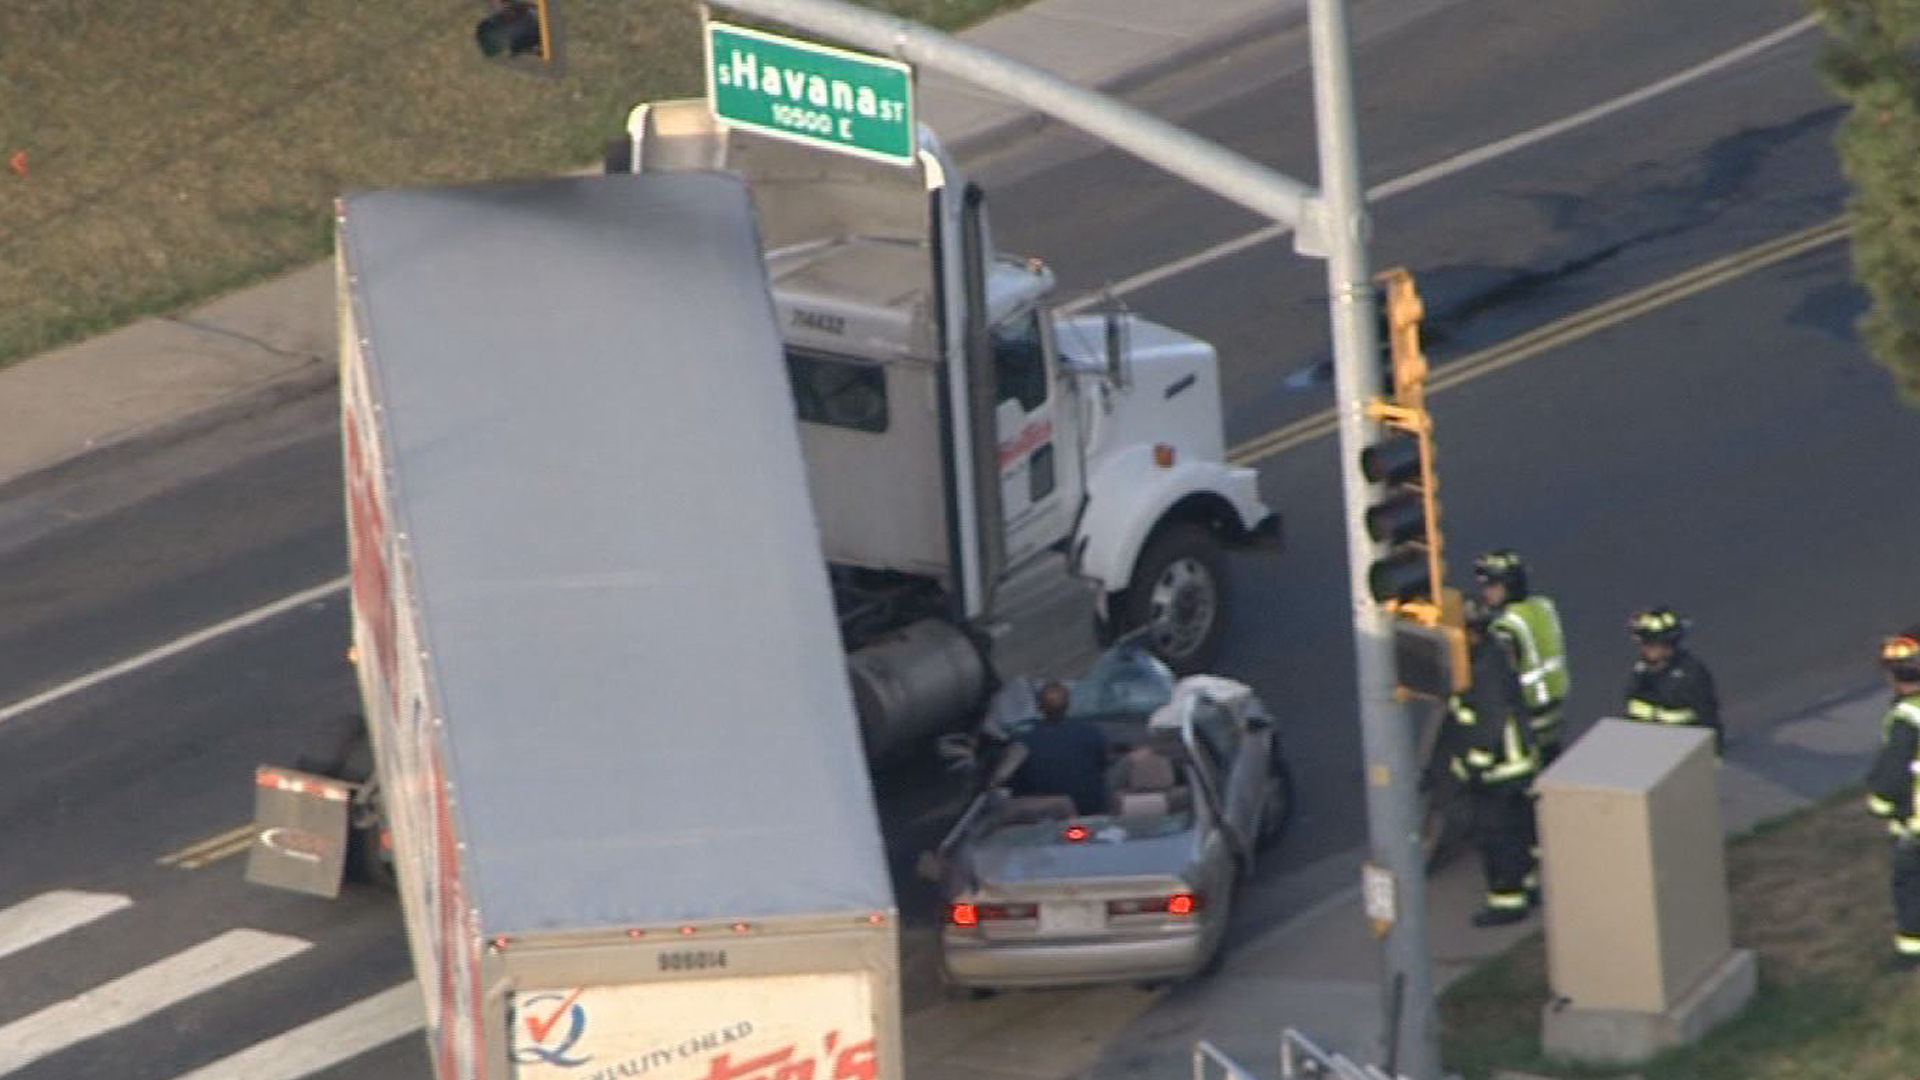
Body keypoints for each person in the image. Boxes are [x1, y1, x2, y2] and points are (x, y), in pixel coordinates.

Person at [1446, 601, 1541, 928]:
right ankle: (1527, 886)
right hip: (1513, 767)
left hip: (1500, 771)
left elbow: (1489, 722)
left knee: (1497, 836)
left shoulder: (1484, 669)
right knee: (1518, 832)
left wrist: (1473, 766)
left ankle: (1507, 902)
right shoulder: (1489, 657)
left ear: (1472, 634)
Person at [1474, 550, 1570, 765]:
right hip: (1554, 712)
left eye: (1492, 586)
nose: (1486, 593)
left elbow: (1500, 677)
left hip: (1529, 718)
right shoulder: (1544, 607)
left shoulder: (1507, 627)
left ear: (1509, 585)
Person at [1865, 629, 1920, 969]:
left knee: (1911, 886)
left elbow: (1890, 777)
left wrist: (1882, 806)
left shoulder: (1906, 719)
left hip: (1916, 827)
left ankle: (1912, 950)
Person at [1623, 608, 1722, 753]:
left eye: (1652, 644)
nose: (1646, 649)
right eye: (1644, 643)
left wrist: (1712, 755)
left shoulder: (1691, 675)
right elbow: (1631, 711)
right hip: (1646, 749)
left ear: (1669, 644)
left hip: (1684, 750)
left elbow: (1708, 720)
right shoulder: (1641, 671)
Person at [1008, 680, 1111, 816]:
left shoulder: (1024, 738)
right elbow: (1103, 767)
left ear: (1039, 706)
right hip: (1090, 810)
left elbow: (1009, 779)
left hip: (1044, 815)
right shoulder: (1092, 732)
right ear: (1068, 705)